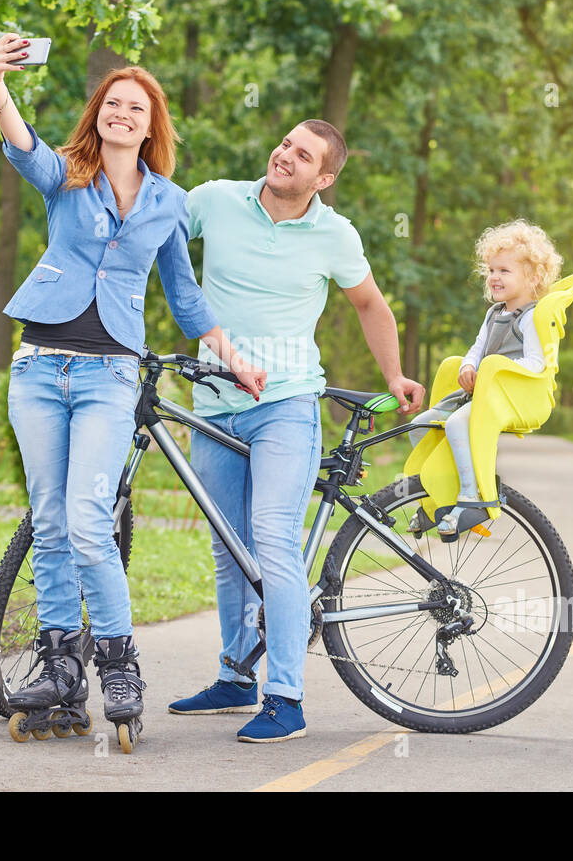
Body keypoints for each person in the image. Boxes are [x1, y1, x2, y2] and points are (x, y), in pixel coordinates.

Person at [0, 34, 265, 749]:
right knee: (49, 519)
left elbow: (186, 295)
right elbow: (23, 147)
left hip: (111, 373)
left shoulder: (168, 202)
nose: (122, 114)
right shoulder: (68, 175)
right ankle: (57, 664)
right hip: (40, 367)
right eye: (113, 103)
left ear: (151, 124)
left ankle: (116, 661)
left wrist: (234, 360)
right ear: (99, 115)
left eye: (135, 107)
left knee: (86, 517)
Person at [167, 120, 425, 742]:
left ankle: (286, 698)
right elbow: (157, 227)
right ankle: (235, 676)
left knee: (272, 540)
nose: (284, 155)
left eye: (302, 154)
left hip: (286, 404)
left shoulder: (335, 235)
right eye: (284, 143)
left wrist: (393, 376)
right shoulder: (215, 200)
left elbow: (371, 304)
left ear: (324, 178)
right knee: (230, 550)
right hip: (215, 401)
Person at [407, 219, 562, 539]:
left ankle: (472, 495)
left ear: (533, 277)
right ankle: (438, 498)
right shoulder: (494, 314)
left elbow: (536, 364)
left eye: (504, 271)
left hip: (504, 395)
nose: (494, 277)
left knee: (456, 425)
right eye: (491, 270)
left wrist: (496, 371)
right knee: (421, 425)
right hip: (478, 392)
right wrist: (467, 367)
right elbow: (476, 350)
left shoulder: (531, 317)